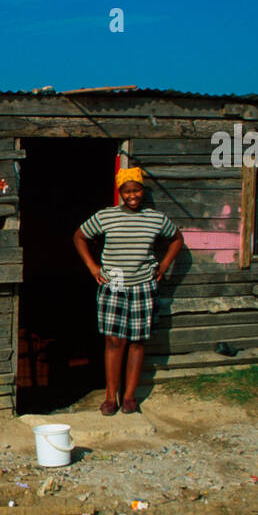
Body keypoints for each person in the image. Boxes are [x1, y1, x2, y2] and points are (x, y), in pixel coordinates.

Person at [72, 165, 184, 415]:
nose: (132, 196)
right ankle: (111, 397)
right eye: (127, 192)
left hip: (144, 285)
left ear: (142, 190)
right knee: (114, 341)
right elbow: (79, 236)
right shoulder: (106, 216)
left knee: (137, 341)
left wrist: (164, 265)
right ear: (120, 192)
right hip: (115, 284)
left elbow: (177, 239)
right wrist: (92, 267)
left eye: (137, 191)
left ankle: (130, 396)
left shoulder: (156, 218)